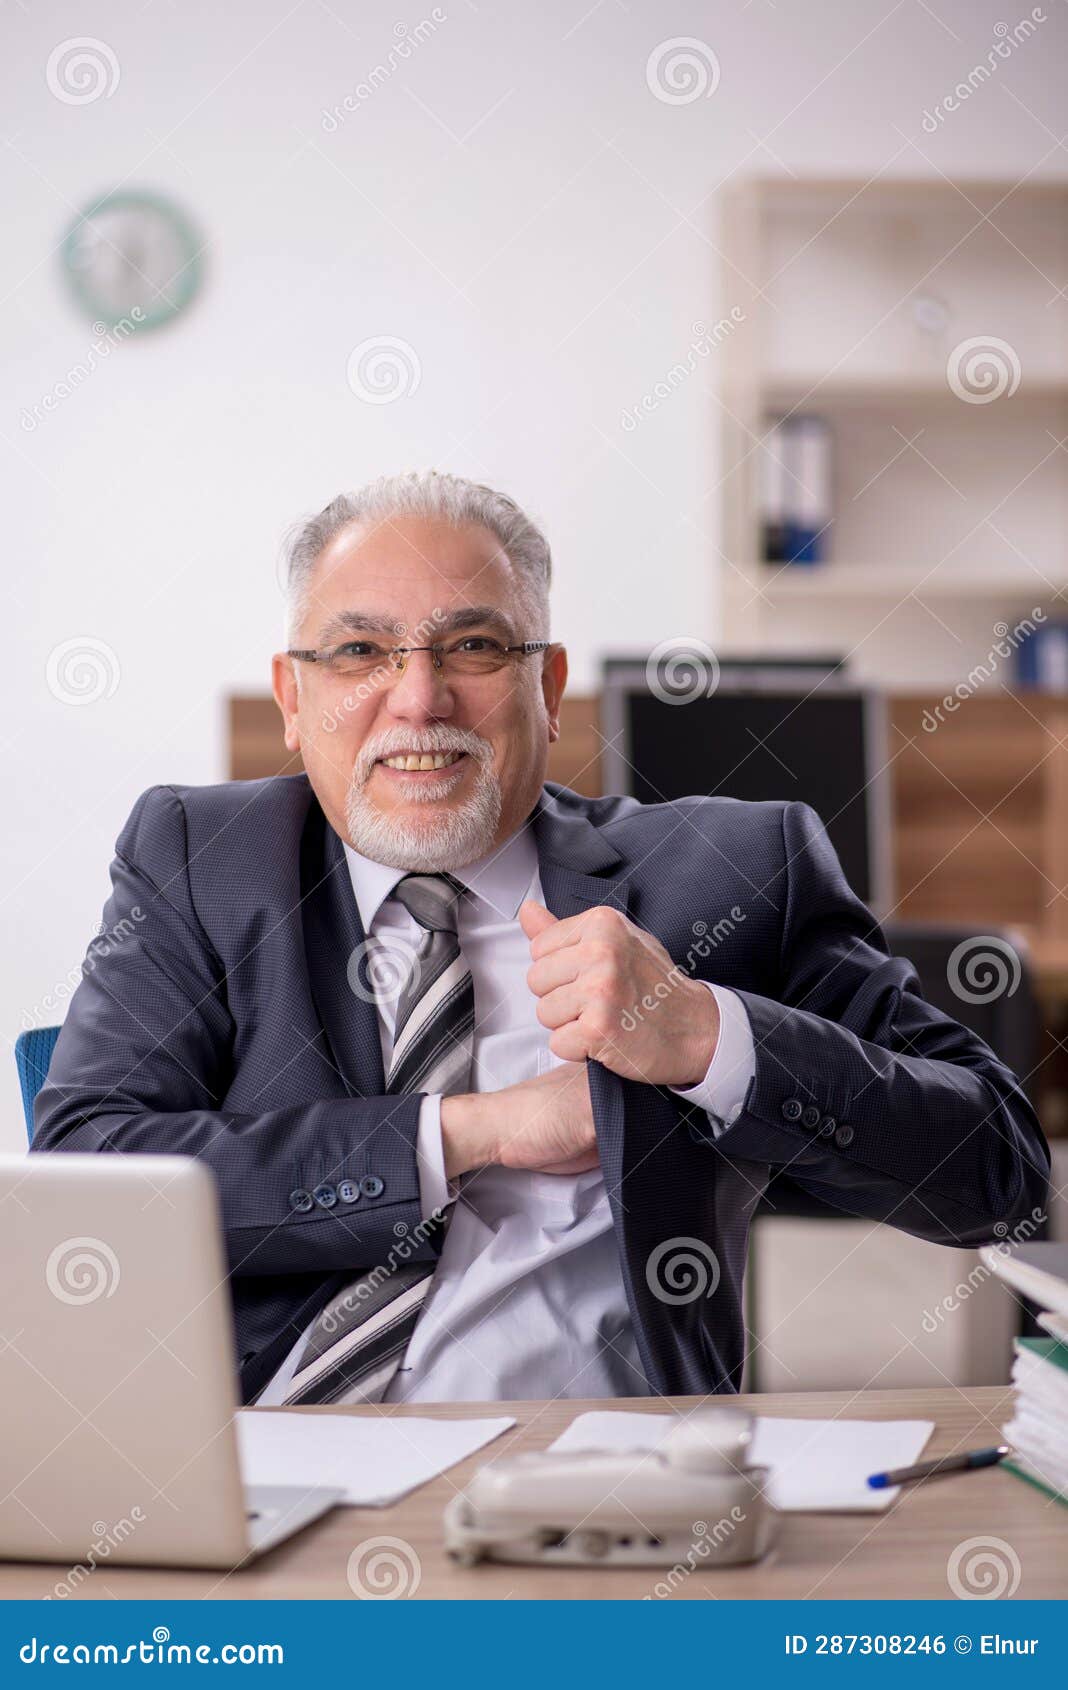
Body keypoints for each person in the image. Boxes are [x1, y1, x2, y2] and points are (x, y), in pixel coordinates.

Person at [33, 470, 1050, 1407]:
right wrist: (475, 1131)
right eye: (359, 651)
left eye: (473, 646)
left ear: (548, 686)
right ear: (294, 699)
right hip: (265, 1463)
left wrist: (708, 1036)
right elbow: (89, 1183)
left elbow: (1000, 1175)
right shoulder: (202, 858)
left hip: (595, 1479)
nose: (420, 697)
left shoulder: (734, 868)